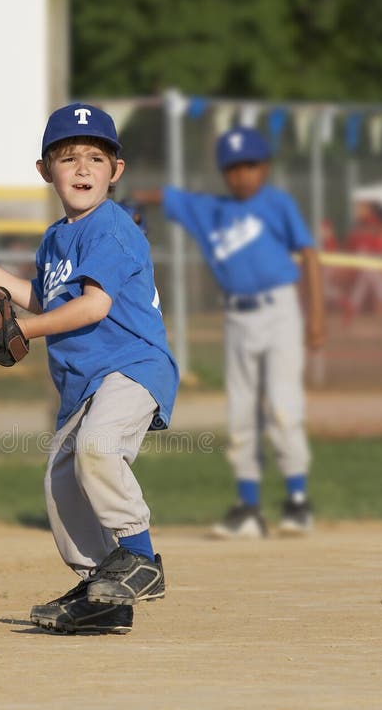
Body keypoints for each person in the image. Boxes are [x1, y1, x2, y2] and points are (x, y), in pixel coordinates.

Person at [0, 103, 179, 633]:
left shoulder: (112, 227)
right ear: (45, 172)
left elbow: (93, 307)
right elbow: (47, 300)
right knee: (63, 483)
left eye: (95, 157)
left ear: (117, 170)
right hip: (84, 381)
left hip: (132, 366)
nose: (82, 168)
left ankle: (140, 559)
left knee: (97, 448)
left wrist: (15, 332)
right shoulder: (55, 238)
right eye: (67, 158)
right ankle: (102, 589)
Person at [133, 126, 325, 538]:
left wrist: (318, 314)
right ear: (223, 172)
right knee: (240, 412)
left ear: (265, 167)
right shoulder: (209, 210)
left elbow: (308, 254)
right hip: (238, 319)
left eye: (251, 166)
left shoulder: (277, 203)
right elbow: (161, 196)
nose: (243, 175)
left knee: (284, 407)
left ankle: (297, 501)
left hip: (280, 311)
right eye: (233, 168)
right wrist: (125, 199)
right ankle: (248, 507)